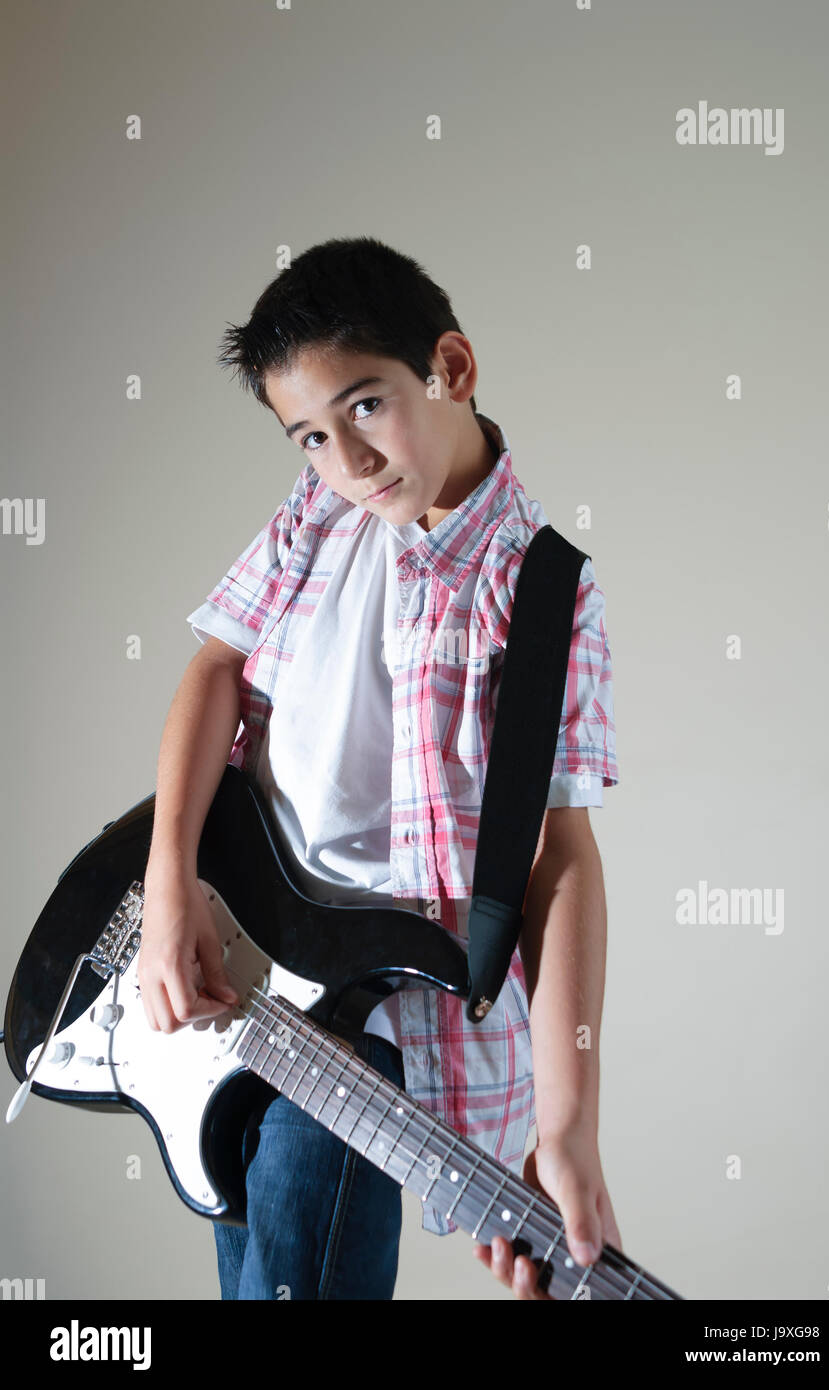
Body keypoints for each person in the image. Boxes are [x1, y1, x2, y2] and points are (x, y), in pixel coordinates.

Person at [139, 235, 622, 1300]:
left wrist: (567, 1122)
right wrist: (170, 885)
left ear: (450, 368)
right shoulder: (323, 512)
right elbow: (215, 663)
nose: (349, 462)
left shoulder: (538, 591)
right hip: (241, 970)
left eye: (365, 407)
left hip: (373, 1028)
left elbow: (559, 861)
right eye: (311, 435)